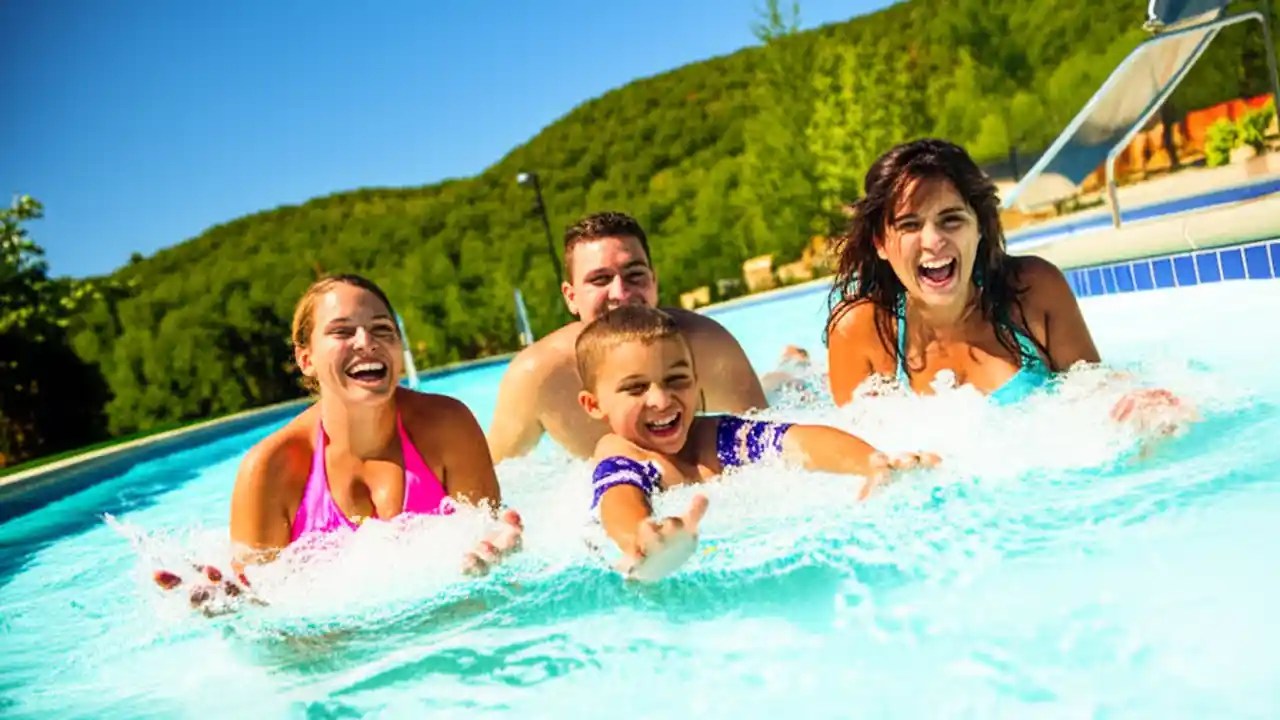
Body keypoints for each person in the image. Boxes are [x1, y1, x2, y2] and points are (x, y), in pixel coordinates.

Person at [154, 274, 522, 608]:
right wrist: (235, 610)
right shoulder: (271, 470)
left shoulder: (447, 426)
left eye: (382, 329)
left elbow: (492, 555)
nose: (367, 343)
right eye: (343, 332)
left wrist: (503, 553)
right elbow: (265, 619)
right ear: (306, 359)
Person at [824, 139, 1192, 428]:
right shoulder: (861, 332)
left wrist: (1139, 411)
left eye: (951, 220)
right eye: (909, 225)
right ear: (879, 243)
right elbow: (857, 461)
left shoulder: (1034, 292)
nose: (933, 241)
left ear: (980, 227)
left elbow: (1095, 393)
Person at [576, 305, 937, 582]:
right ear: (593, 405)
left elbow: (799, 440)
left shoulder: (711, 436)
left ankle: (791, 363)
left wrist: (870, 463)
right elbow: (618, 499)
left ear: (697, 380)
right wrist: (640, 537)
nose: (661, 399)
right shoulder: (620, 452)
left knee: (780, 390)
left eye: (677, 380)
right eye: (636, 388)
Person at [488, 211, 768, 463]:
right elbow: (489, 487)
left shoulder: (707, 346)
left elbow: (769, 437)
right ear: (571, 297)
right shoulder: (538, 377)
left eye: (634, 275)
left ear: (654, 282)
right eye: (600, 280)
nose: (621, 294)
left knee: (779, 383)